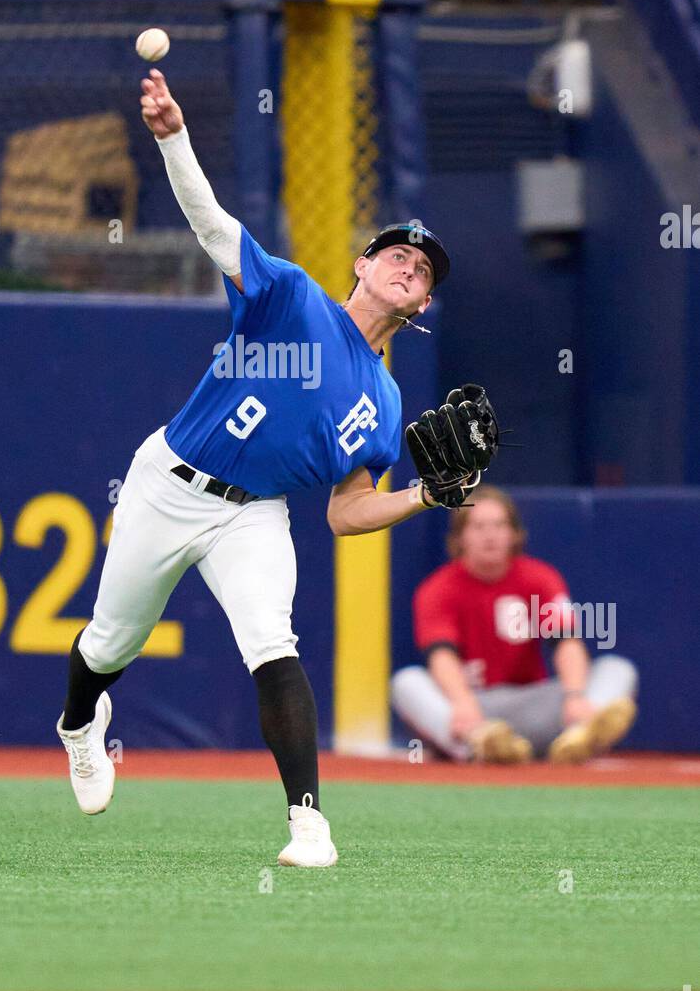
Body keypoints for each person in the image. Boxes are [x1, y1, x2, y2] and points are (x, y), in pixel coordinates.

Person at [55, 67, 491, 866]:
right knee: (111, 645)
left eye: (423, 272)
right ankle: (82, 724)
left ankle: (309, 826)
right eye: (398, 255)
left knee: (272, 641)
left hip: (253, 513)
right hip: (168, 482)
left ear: (422, 307)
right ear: (363, 263)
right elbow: (212, 225)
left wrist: (427, 495)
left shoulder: (387, 404)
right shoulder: (289, 296)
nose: (409, 268)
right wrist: (173, 138)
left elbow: (345, 512)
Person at [391, 485, 638, 763]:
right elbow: (441, 655)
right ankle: (479, 745)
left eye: (499, 525)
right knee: (407, 682)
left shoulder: (540, 577)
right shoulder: (436, 589)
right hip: (475, 708)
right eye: (478, 526)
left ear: (514, 533)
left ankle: (579, 736)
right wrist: (463, 704)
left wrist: (575, 696)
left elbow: (566, 642)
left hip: (537, 706)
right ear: (460, 537)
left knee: (617, 669)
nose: (490, 535)